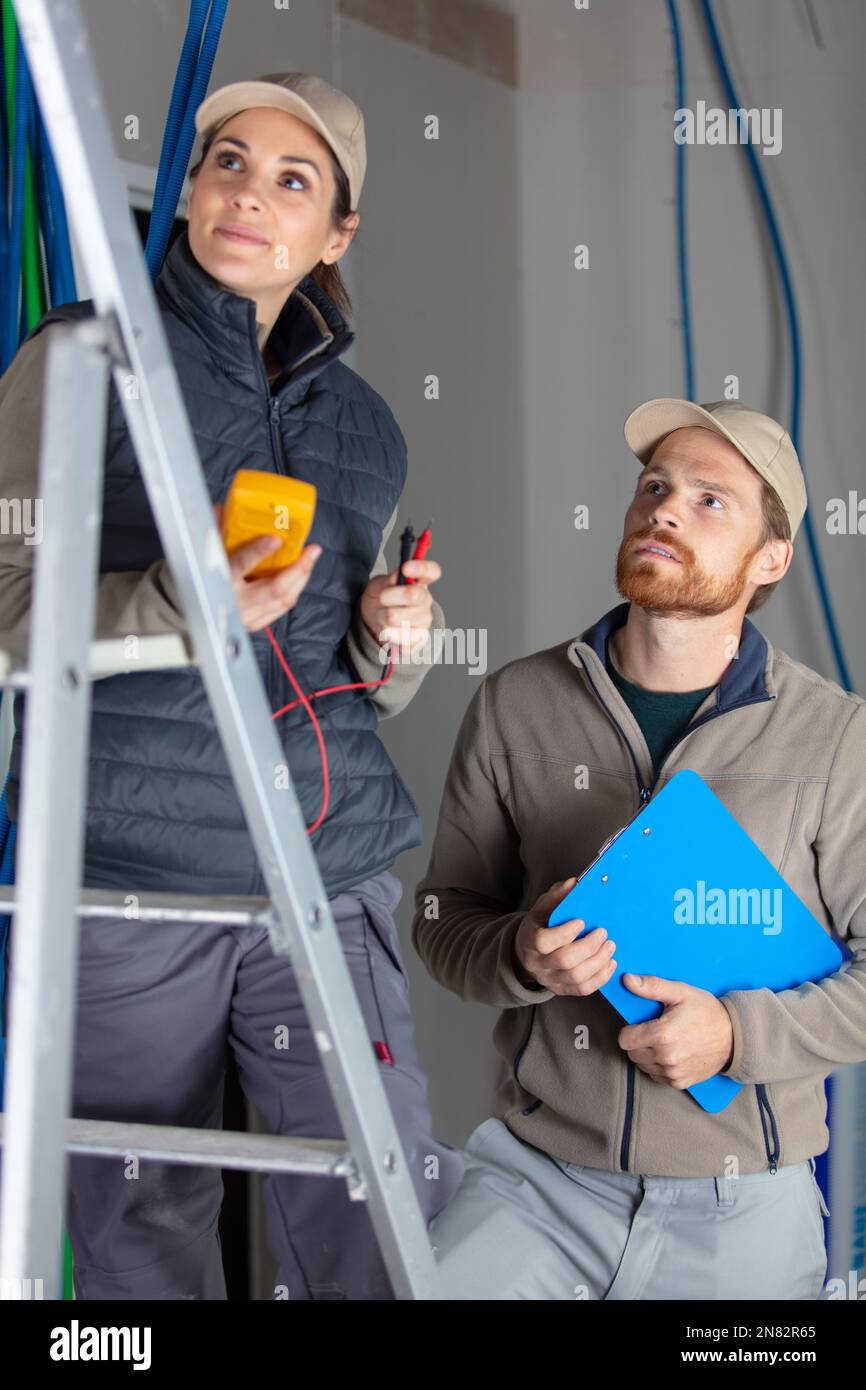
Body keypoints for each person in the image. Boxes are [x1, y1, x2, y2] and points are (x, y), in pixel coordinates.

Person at [0, 72, 464, 1299]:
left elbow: (369, 686)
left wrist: (388, 637)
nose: (248, 197)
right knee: (137, 1236)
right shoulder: (81, 360)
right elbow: (1, 612)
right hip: (133, 881)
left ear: (336, 235)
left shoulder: (368, 428)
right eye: (227, 164)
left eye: (291, 181)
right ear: (193, 186)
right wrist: (178, 602)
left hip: (331, 869)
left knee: (379, 1213)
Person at [413, 398, 866, 1300]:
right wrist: (521, 954)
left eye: (710, 501)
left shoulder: (837, 737)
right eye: (655, 486)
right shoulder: (513, 702)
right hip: (536, 1185)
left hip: (746, 1213)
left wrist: (736, 1035)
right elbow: (441, 921)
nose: (664, 508)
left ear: (771, 559)